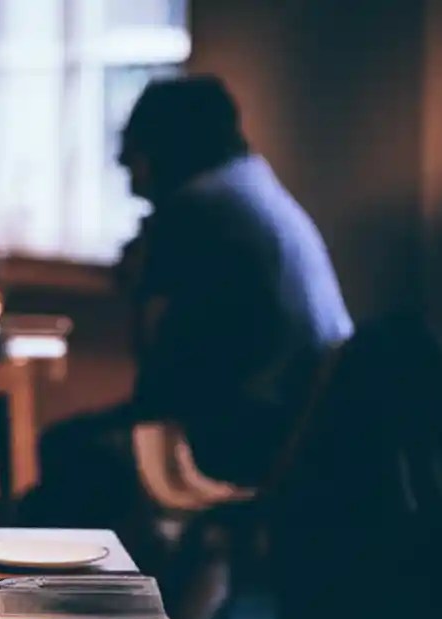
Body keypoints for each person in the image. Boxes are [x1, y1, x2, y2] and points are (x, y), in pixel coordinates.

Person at [21, 76, 353, 541]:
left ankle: (62, 598)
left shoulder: (199, 208)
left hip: (245, 435)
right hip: (294, 422)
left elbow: (162, 376)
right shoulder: (248, 188)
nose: (122, 165)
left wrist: (144, 280)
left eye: (133, 149)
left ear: (165, 148)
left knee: (71, 451)